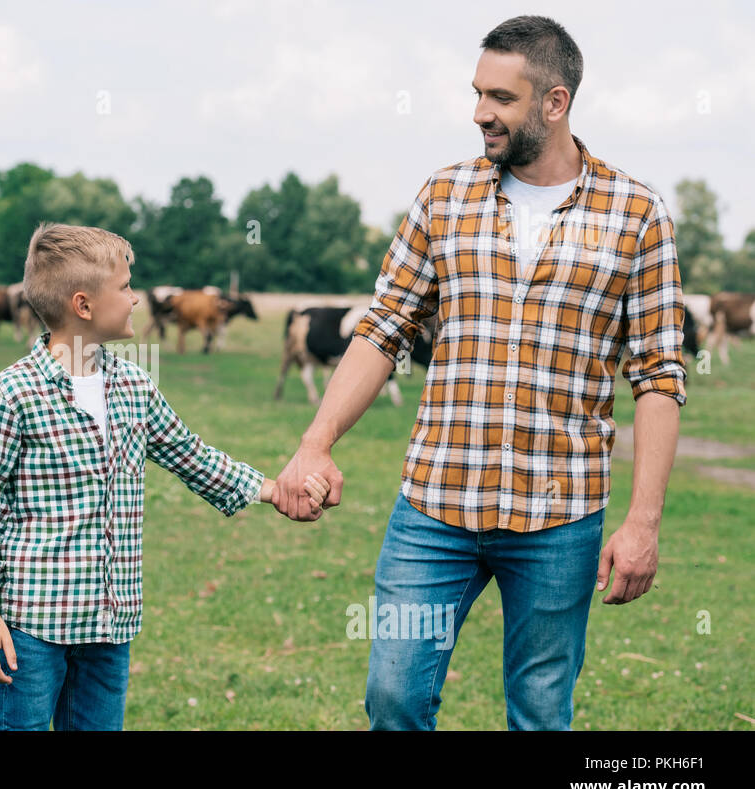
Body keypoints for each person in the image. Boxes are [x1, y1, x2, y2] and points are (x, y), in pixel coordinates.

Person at [272, 15, 687, 730]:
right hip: (435, 506)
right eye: (477, 93)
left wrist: (643, 521)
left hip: (561, 517)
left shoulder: (637, 214)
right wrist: (317, 441)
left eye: (501, 97)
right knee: (394, 695)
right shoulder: (444, 197)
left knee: (539, 712)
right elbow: (383, 327)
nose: (479, 113)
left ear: (554, 103)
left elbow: (657, 375)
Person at [0, 222, 328, 731]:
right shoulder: (10, 394)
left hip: (109, 624)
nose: (136, 299)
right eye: (124, 288)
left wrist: (274, 490)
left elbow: (191, 456)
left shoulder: (133, 386)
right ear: (83, 306)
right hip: (30, 624)